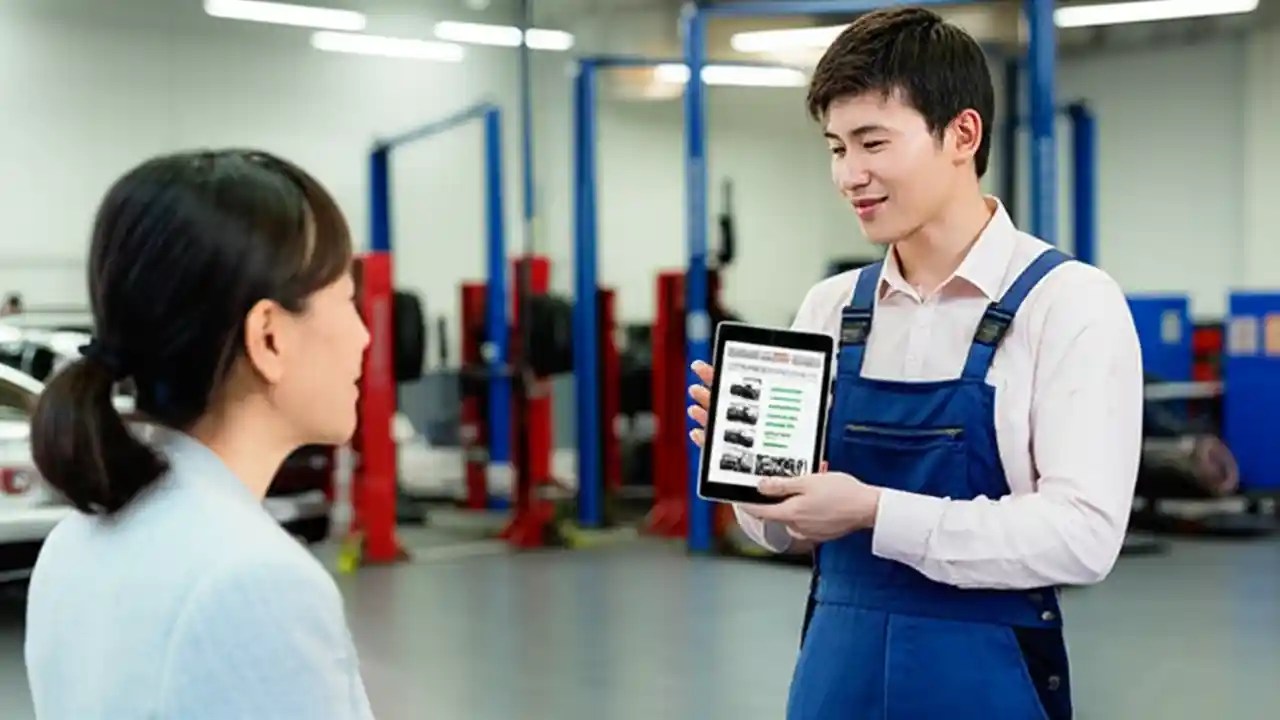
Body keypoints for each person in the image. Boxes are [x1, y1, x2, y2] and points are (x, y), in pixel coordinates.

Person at [687, 8, 1142, 720]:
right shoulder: (832, 308)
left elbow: (1082, 538)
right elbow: (777, 532)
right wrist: (752, 476)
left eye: (873, 142)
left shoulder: (1070, 305)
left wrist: (873, 511)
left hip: (986, 686)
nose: (849, 175)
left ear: (962, 134)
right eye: (836, 147)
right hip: (834, 679)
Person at [24, 150, 375, 719]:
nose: (363, 337)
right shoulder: (257, 581)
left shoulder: (75, 540)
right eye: (347, 300)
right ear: (269, 338)